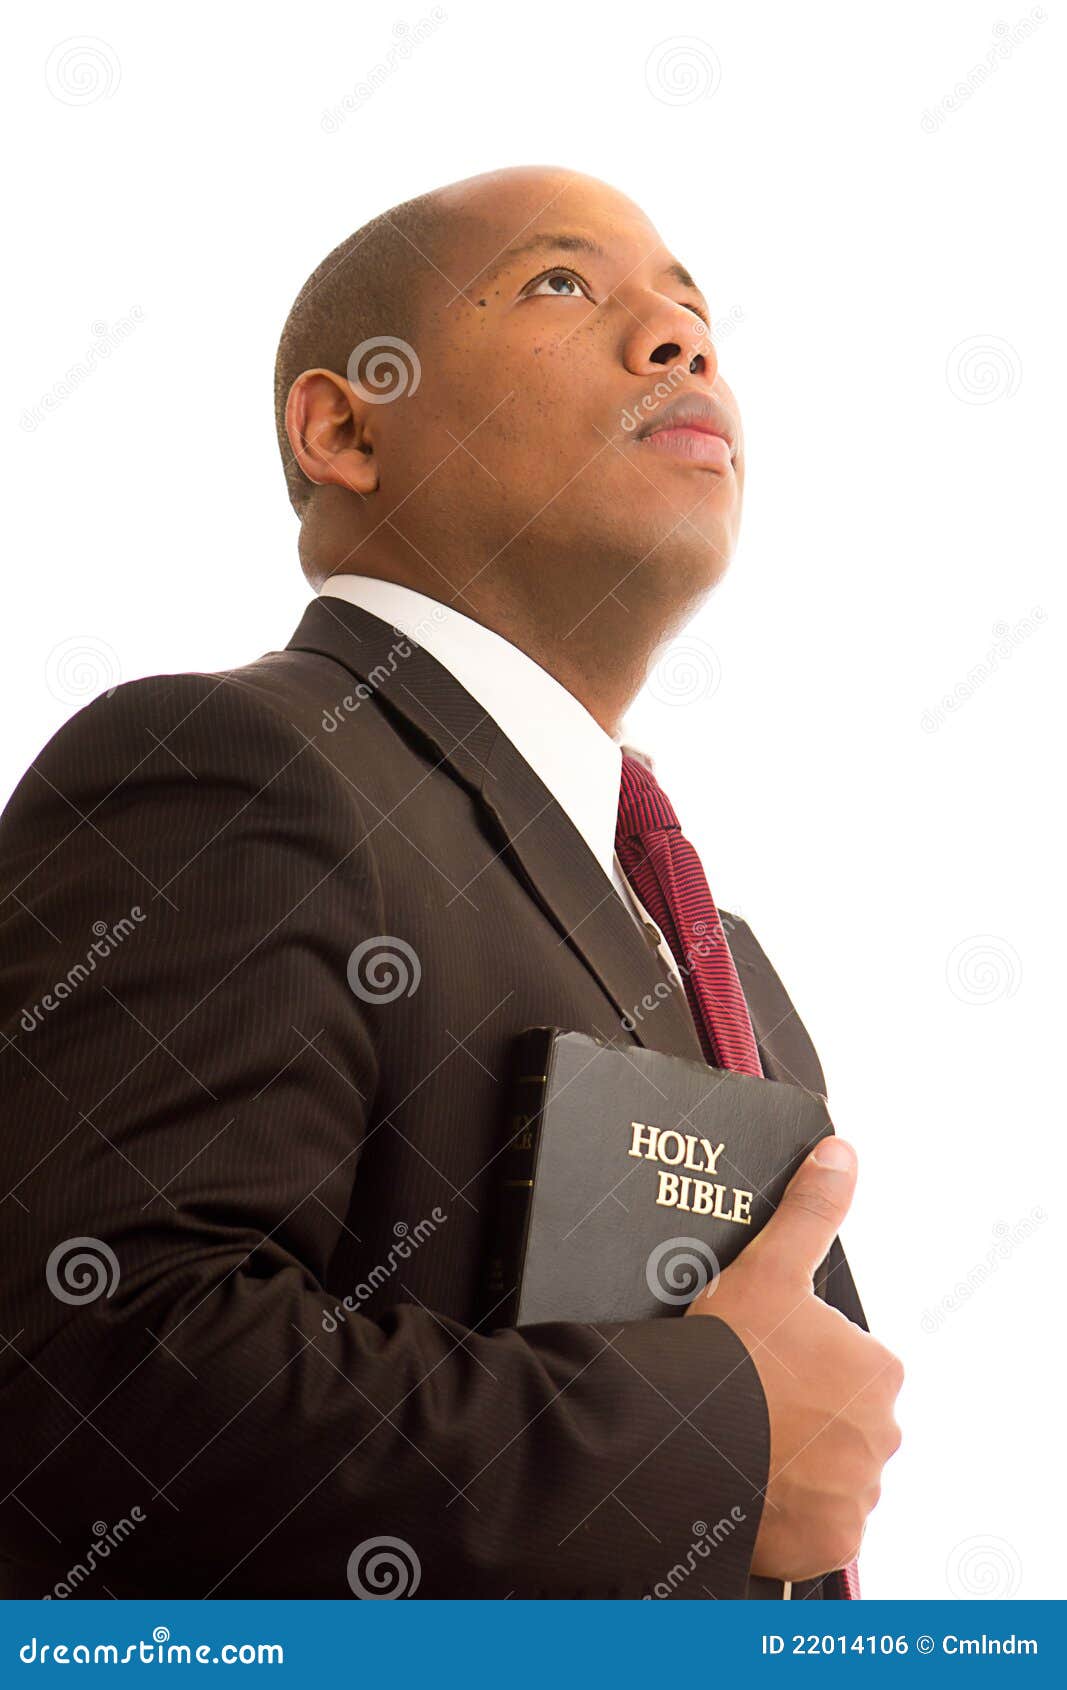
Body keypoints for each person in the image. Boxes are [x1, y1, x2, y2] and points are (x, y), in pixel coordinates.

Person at [0, 166, 902, 1600]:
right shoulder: (230, 763)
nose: (680, 340)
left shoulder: (720, 957)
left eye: (695, 311)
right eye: (563, 283)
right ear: (346, 426)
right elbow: (91, 1365)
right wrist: (710, 1442)